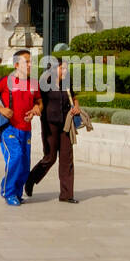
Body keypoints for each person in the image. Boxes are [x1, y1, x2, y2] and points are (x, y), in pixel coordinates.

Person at [0, 50, 41, 207]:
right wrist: (1, 109)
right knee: (15, 157)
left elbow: (39, 102)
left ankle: (14, 190)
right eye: (26, 62)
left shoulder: (33, 83)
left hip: (26, 129)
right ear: (16, 65)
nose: (30, 65)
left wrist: (36, 109)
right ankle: (9, 193)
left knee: (25, 164)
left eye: (30, 62)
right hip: (9, 128)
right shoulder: (6, 81)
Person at [27, 57, 80, 203]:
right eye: (62, 68)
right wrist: (35, 109)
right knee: (50, 157)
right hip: (50, 124)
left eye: (66, 68)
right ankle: (31, 180)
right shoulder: (44, 84)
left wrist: (76, 106)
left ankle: (67, 194)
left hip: (66, 124)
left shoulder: (66, 82)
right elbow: (38, 101)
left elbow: (74, 98)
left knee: (67, 158)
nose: (65, 71)